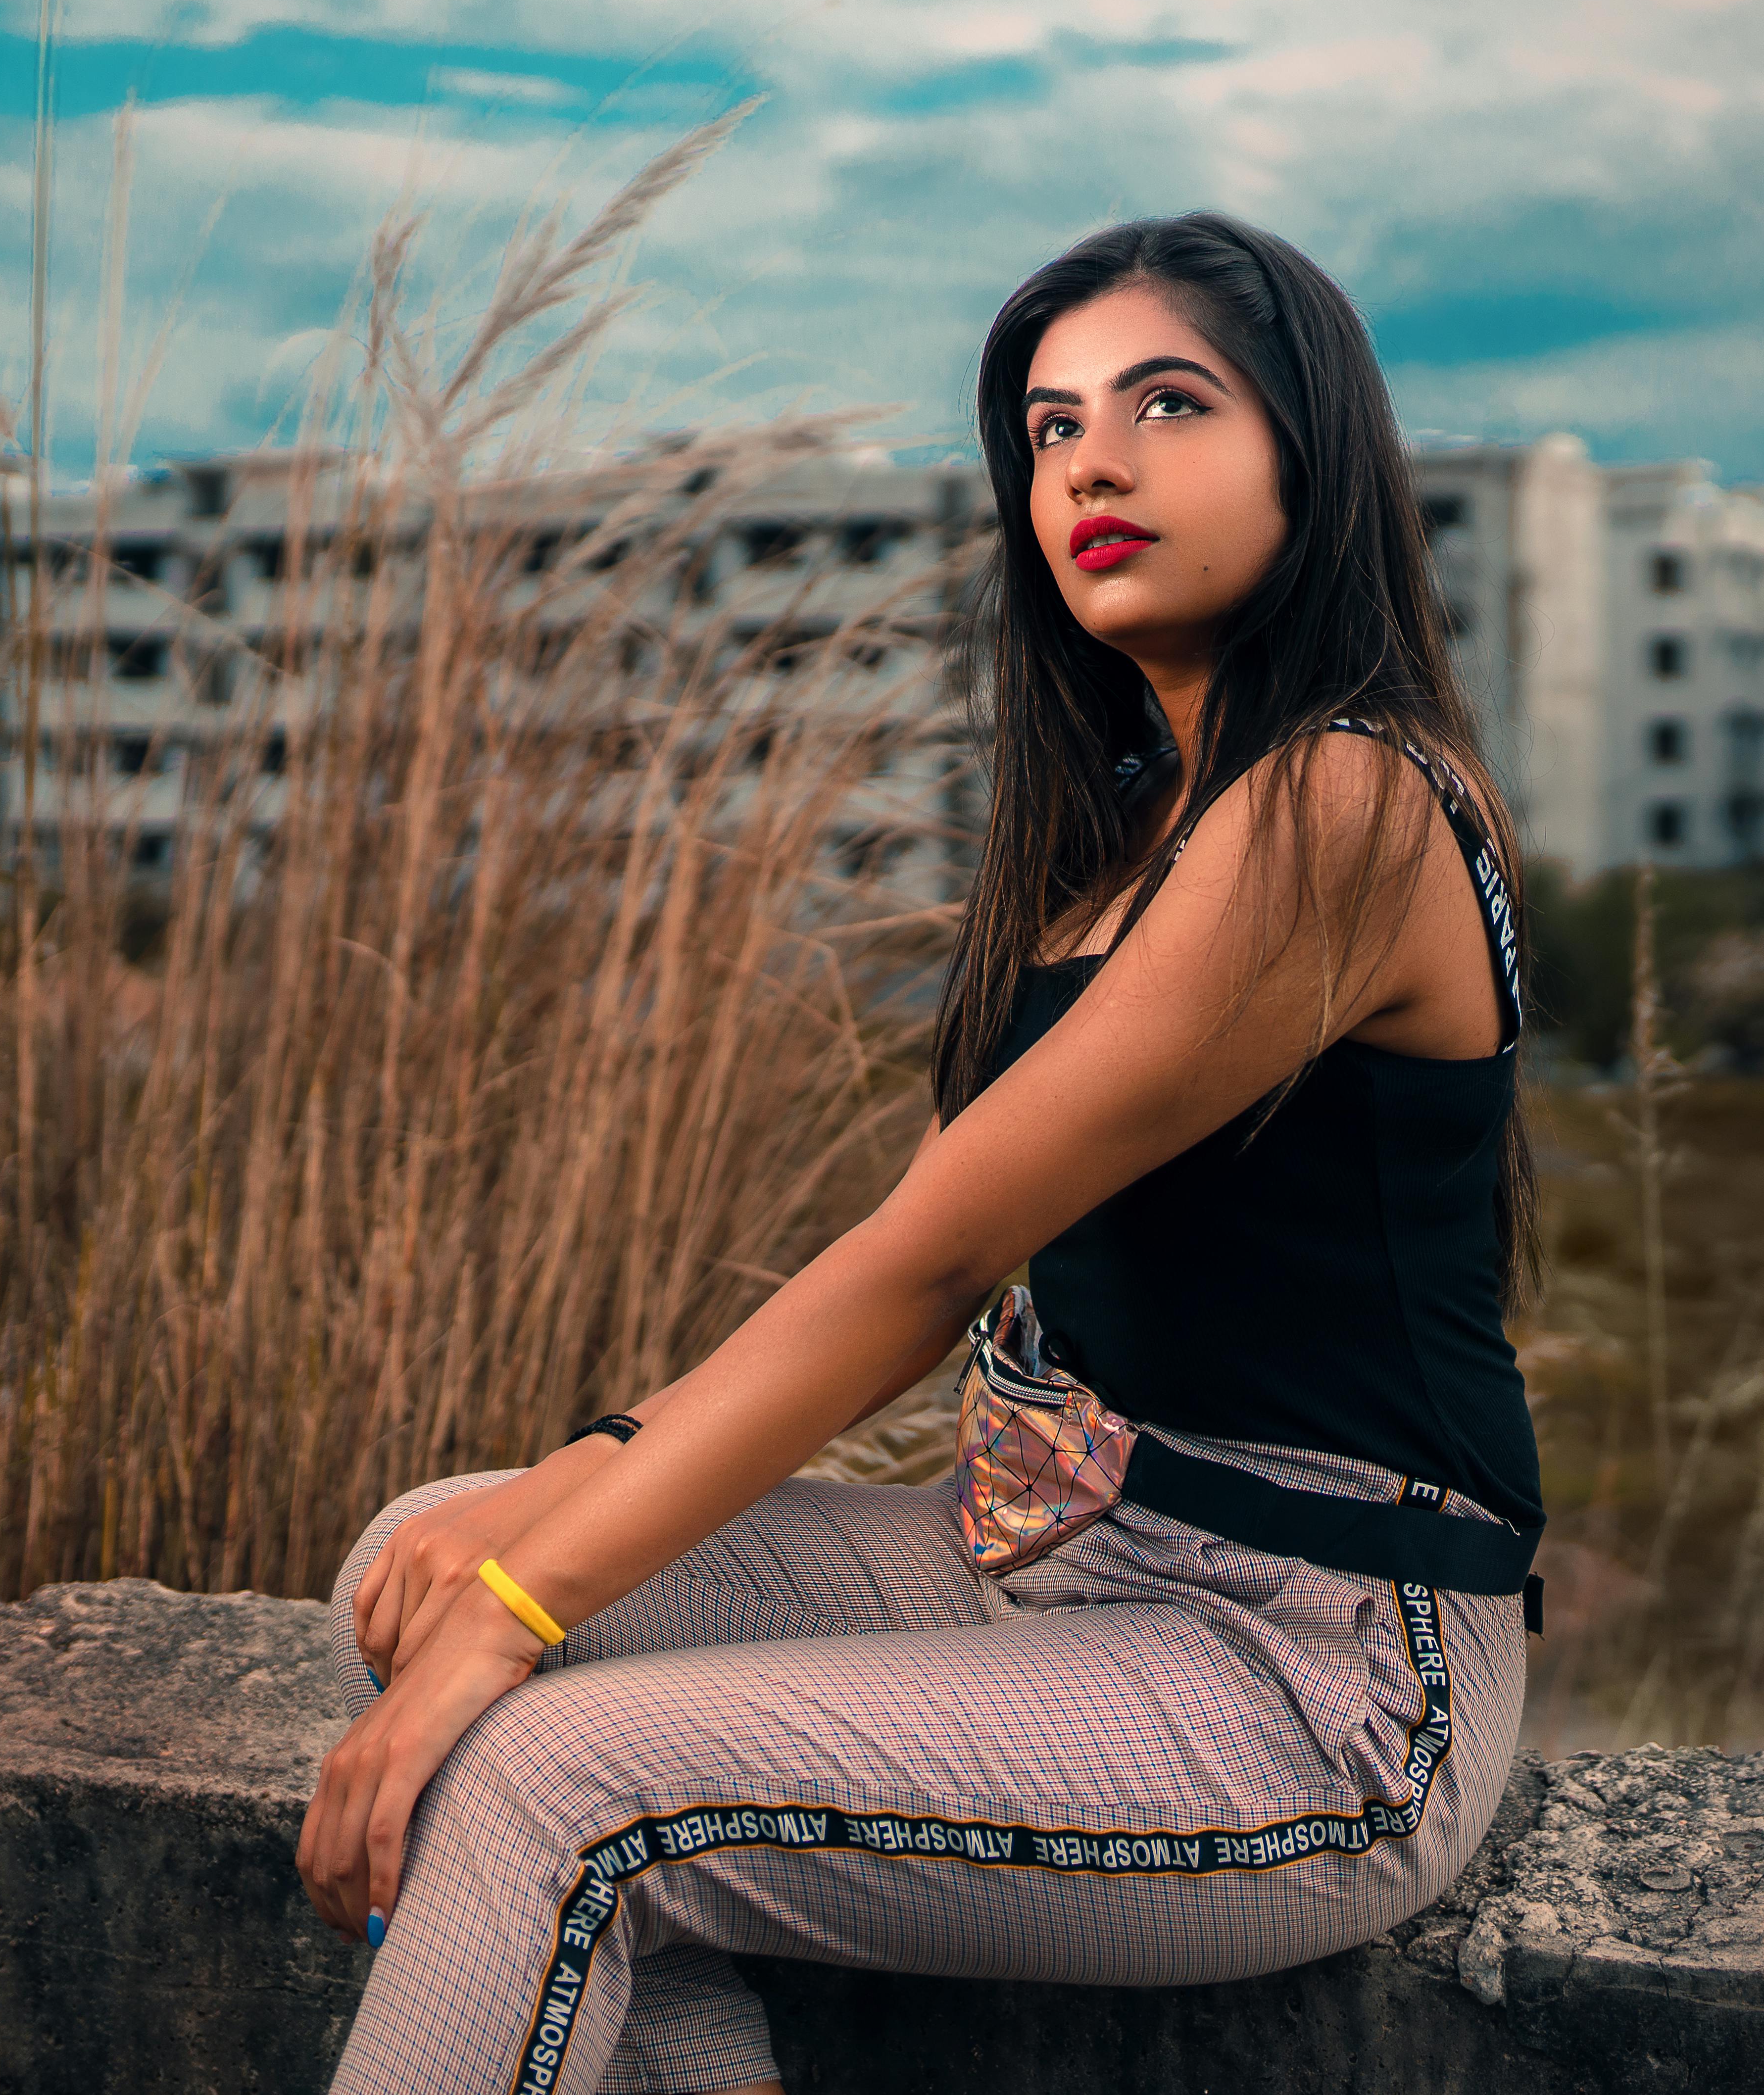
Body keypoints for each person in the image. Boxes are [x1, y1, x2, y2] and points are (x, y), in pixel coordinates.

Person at [296, 212, 1545, 2095]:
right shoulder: (1145, 821)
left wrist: (535, 1602)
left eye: (1166, 405)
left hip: (1318, 1678)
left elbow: (923, 1259)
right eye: (1047, 431)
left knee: (559, 1773)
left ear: (1316, 451)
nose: (1091, 466)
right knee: (412, 1565)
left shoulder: (1346, 804)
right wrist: (549, 1509)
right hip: (1057, 1566)